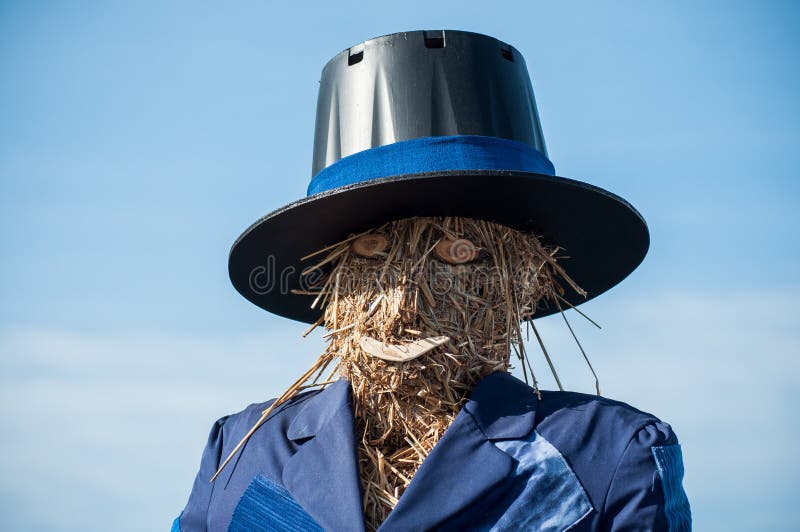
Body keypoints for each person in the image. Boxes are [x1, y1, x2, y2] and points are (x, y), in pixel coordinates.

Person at [174, 30, 691, 531]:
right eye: (371, 251)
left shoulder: (606, 460)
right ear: (331, 286)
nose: (402, 304)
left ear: (525, 278)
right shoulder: (241, 454)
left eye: (458, 254)